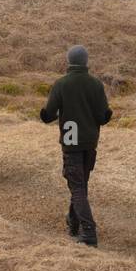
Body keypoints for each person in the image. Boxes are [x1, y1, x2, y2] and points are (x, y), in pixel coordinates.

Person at [40, 45, 112, 247]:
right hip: (90, 141)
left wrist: (44, 114)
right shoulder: (96, 84)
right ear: (86, 62)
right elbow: (103, 116)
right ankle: (73, 223)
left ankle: (88, 231)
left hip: (71, 142)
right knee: (80, 185)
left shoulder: (61, 84)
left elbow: (49, 115)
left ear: (68, 61)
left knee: (77, 187)